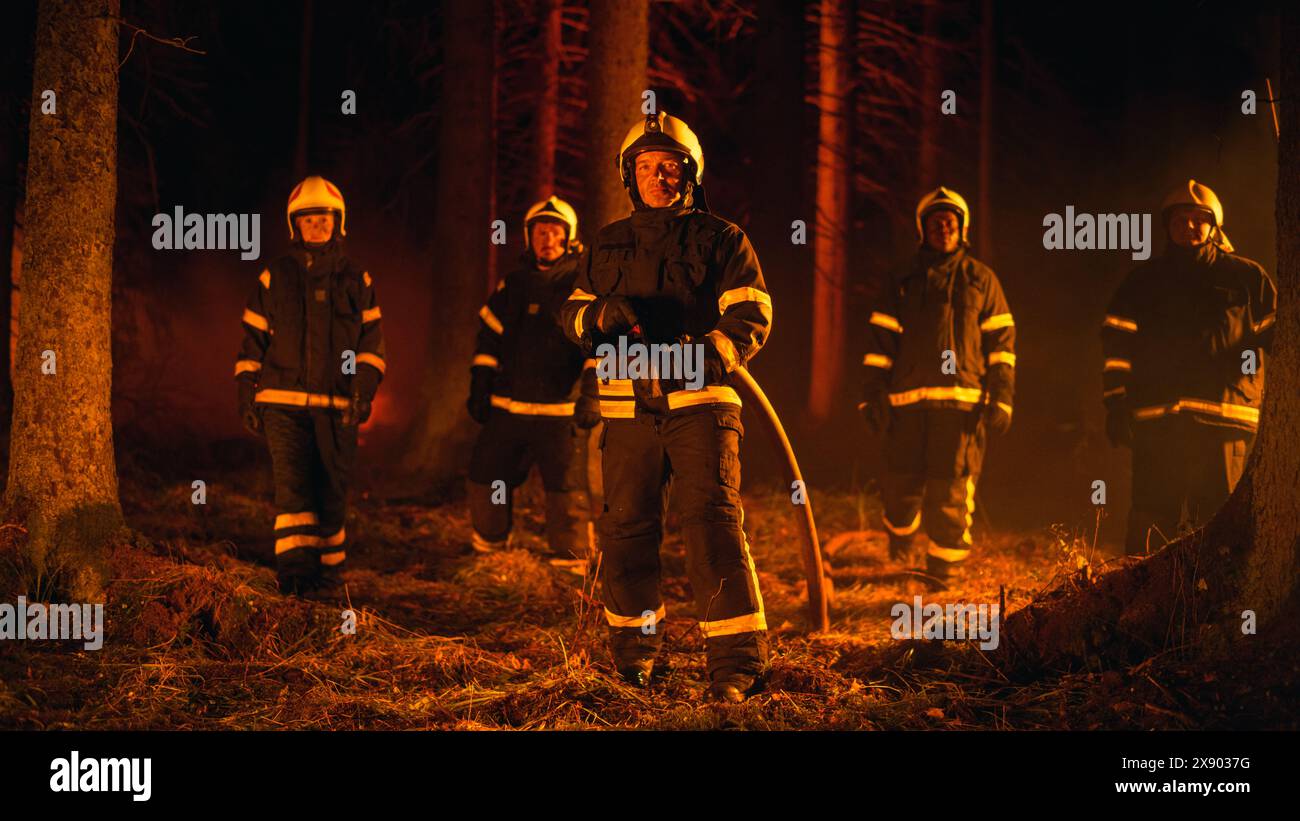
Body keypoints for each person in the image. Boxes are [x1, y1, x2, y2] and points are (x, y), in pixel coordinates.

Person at [558, 111, 771, 702]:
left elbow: (752, 312)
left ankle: (735, 666)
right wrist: (596, 316)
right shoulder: (605, 243)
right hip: (627, 406)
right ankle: (635, 657)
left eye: (670, 166)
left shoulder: (724, 239)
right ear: (630, 176)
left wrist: (708, 352)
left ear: (690, 173)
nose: (659, 176)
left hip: (701, 403)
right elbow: (571, 312)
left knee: (711, 527)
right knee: (625, 531)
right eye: (647, 167)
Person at [1102, 179, 1275, 554]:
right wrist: (1116, 402)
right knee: (1151, 518)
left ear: (1215, 226)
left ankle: (1214, 604)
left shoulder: (1247, 278)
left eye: (1199, 219)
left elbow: (1281, 341)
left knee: (1217, 521)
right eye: (1180, 219)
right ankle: (1143, 602)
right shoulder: (1142, 283)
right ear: (1168, 226)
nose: (1190, 227)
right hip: (1157, 421)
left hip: (1224, 422)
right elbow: (1117, 345)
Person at [234, 175, 386, 595]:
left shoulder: (358, 278)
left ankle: (330, 576)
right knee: (293, 490)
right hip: (281, 404)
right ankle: (296, 579)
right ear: (294, 226)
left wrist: (363, 390)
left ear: (338, 224)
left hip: (337, 405)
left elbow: (372, 345)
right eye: (308, 222)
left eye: (323, 221)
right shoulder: (275, 277)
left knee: (331, 490)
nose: (315, 228)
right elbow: (253, 337)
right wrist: (246, 389)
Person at [861, 186, 1015, 584]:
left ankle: (942, 571)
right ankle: (901, 538)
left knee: (951, 488)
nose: (943, 227)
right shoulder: (902, 279)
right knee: (899, 487)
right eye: (935, 221)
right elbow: (880, 344)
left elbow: (1002, 345)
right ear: (923, 229)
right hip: (905, 404)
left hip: (962, 405)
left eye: (950, 221)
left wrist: (1003, 397)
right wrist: (871, 394)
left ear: (962, 229)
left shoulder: (982, 280)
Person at [466, 195, 598, 567]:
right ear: (529, 237)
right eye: (540, 232)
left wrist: (592, 397)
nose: (547, 239)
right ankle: (491, 553)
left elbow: (596, 349)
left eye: (555, 232)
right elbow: (488, 337)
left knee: (566, 488)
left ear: (569, 238)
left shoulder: (581, 287)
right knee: (488, 476)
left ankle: (571, 562)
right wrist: (480, 383)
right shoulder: (513, 285)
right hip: (508, 408)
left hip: (562, 412)